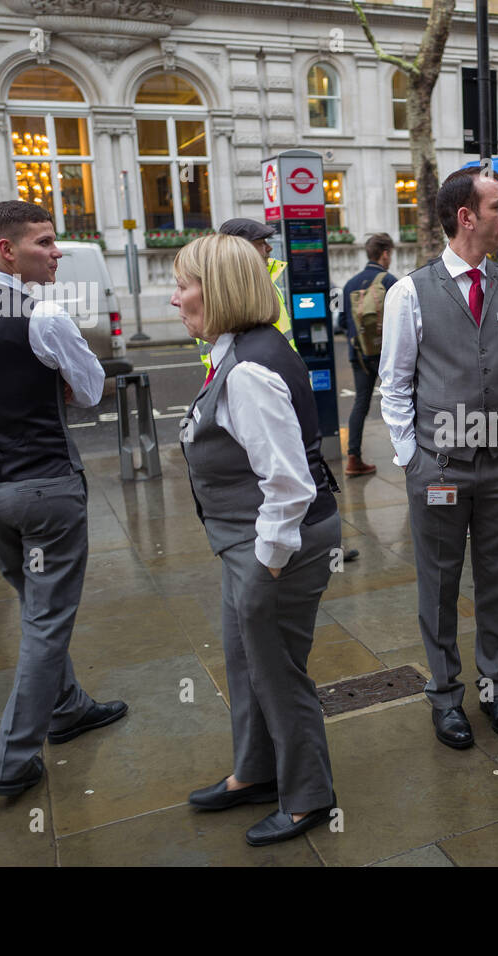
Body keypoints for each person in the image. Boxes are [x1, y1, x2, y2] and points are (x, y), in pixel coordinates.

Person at [0, 200, 126, 797]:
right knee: (46, 622)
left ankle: (66, 707)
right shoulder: (43, 318)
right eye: (44, 242)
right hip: (45, 489)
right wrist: (60, 382)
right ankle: (13, 760)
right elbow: (92, 392)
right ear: (6, 250)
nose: (56, 251)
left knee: (37, 609)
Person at [175, 234, 341, 846]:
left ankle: (308, 797)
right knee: (244, 661)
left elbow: (289, 482)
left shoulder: (247, 369)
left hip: (274, 545)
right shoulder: (239, 351)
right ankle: (255, 771)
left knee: (278, 673)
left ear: (216, 291)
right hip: (245, 542)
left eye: (185, 284)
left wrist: (268, 563)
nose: (175, 298)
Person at [379, 167, 498, 750]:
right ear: (466, 217)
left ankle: (495, 688)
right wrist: (411, 457)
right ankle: (445, 695)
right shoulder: (409, 292)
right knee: (440, 582)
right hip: (440, 465)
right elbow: (395, 384)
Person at [341, 233, 399, 477]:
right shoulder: (390, 281)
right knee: (400, 403)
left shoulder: (350, 284)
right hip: (387, 354)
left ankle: (353, 458)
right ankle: (406, 455)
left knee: (360, 404)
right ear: (385, 254)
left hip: (360, 355)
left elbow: (343, 321)